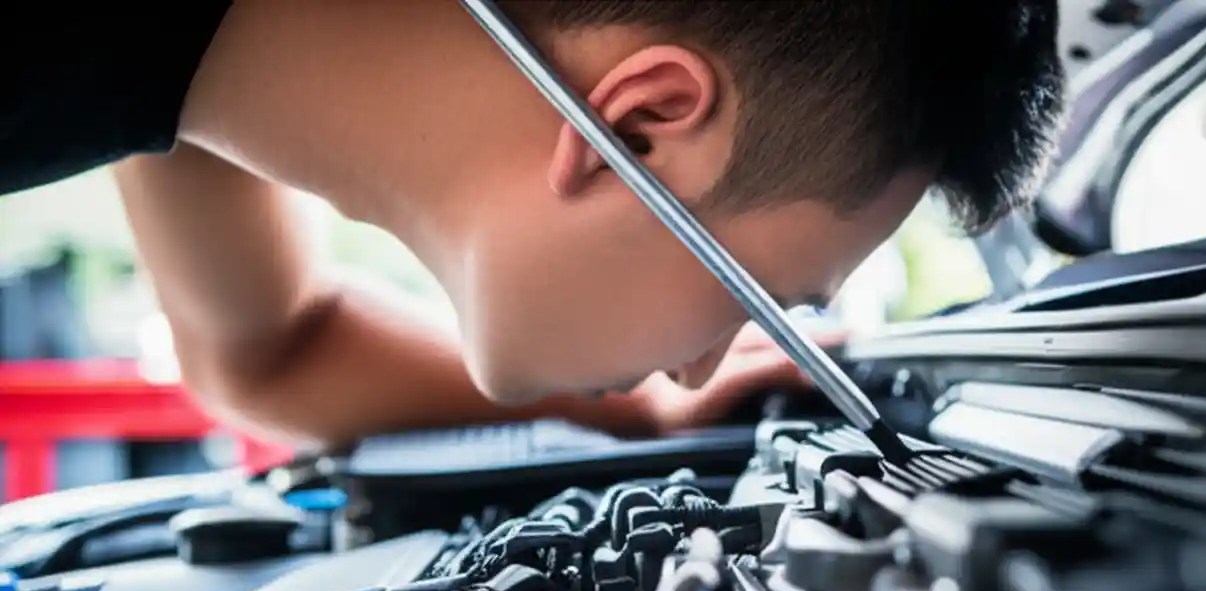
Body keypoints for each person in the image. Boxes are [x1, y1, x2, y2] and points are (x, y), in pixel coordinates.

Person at [2, 1, 1065, 449]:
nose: (700, 368)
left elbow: (272, 353)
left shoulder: (202, 80)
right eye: (751, 303)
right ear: (638, 124)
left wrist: (638, 416)